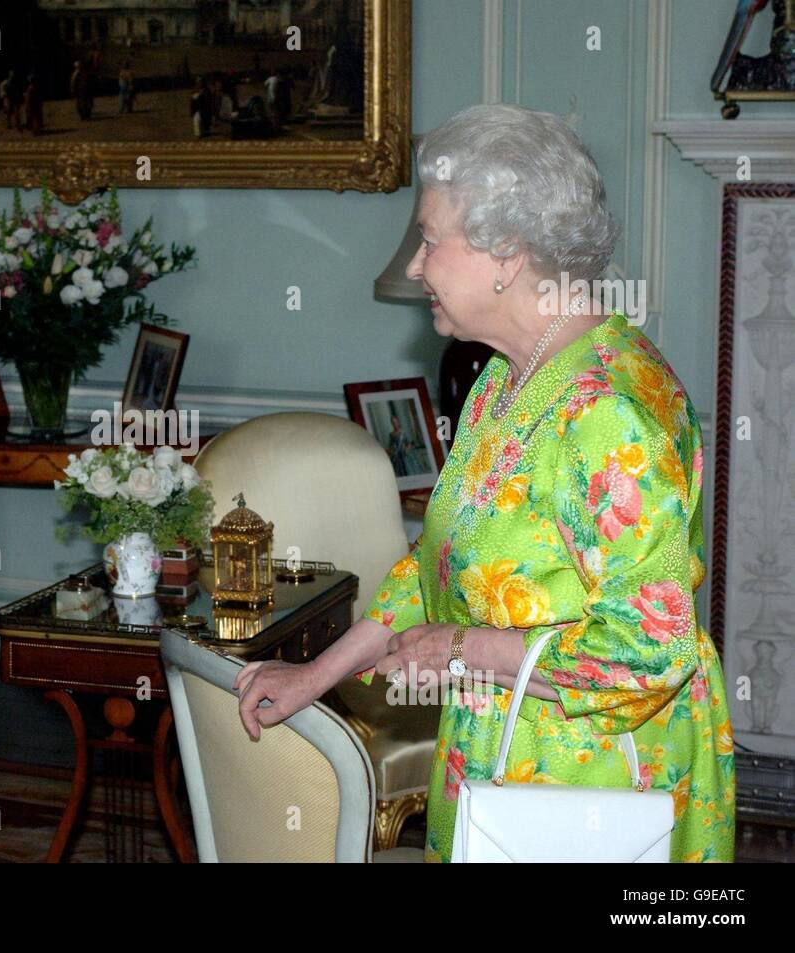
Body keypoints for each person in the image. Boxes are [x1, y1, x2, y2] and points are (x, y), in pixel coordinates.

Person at [234, 104, 734, 863]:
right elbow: (439, 563)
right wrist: (317, 673)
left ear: (506, 252)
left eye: (430, 239)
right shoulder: (505, 379)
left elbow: (648, 651)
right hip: (500, 747)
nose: (413, 264)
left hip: (583, 781)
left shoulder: (605, 416)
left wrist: (462, 647)